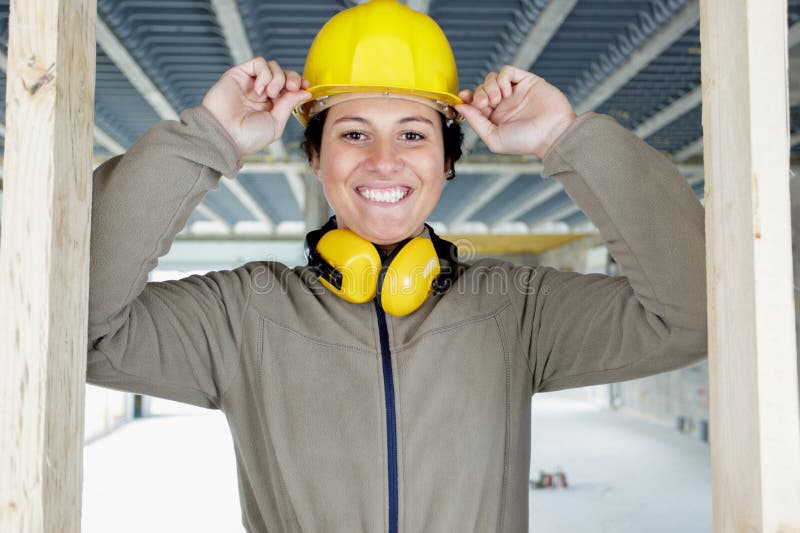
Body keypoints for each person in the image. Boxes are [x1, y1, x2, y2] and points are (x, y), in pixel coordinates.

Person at [87, 0, 707, 531]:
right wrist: (208, 135)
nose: (384, 161)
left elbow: (694, 315)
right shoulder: (240, 316)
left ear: (446, 163)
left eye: (413, 135)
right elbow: (80, 332)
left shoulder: (518, 309)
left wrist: (566, 138)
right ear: (315, 159)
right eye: (353, 134)